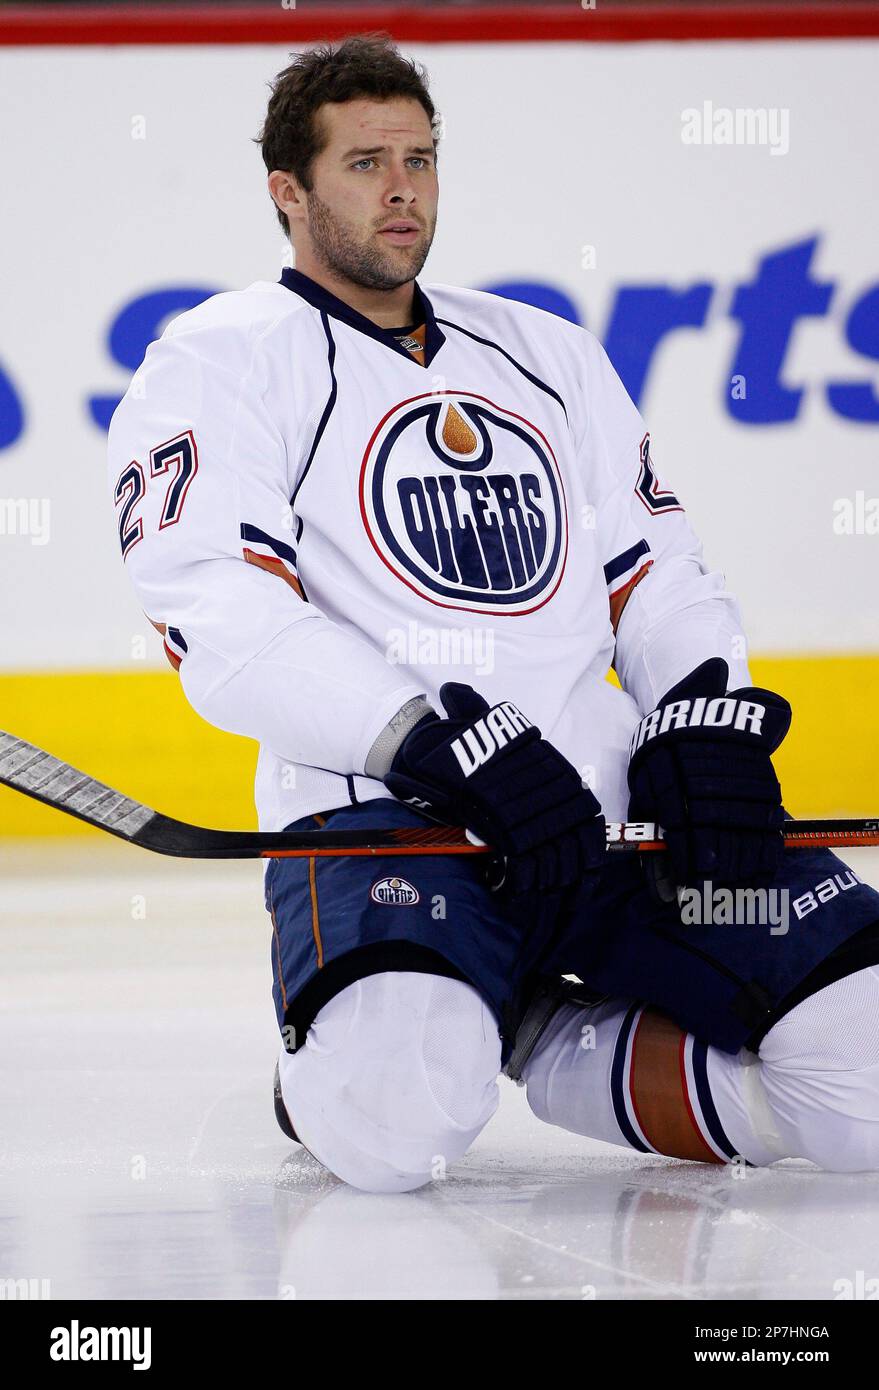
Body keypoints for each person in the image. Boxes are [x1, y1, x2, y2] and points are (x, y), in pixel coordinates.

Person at [109, 35, 879, 1193]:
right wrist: (427, 739)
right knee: (398, 1127)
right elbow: (217, 610)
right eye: (365, 162)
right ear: (289, 191)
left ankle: (526, 1024)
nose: (404, 187)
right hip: (390, 821)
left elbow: (658, 567)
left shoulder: (544, 350)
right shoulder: (219, 359)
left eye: (419, 157)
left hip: (604, 814)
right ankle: (417, 1032)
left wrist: (702, 717)